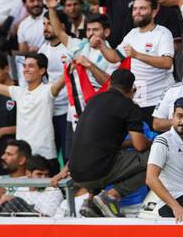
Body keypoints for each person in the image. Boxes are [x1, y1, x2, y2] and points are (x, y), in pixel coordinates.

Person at [64, 68, 150, 217]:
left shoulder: (93, 101)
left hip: (76, 173)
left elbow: (102, 142)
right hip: (97, 172)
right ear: (132, 89)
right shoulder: (129, 106)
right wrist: (152, 142)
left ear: (109, 83)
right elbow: (140, 145)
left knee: (104, 156)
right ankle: (112, 195)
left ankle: (91, 202)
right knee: (156, 157)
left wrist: (128, 144)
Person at [146, 96, 183, 220]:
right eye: (179, 116)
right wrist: (175, 207)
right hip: (172, 202)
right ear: (173, 116)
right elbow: (150, 179)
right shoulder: (162, 140)